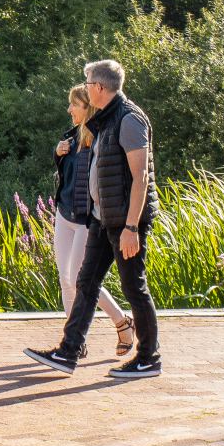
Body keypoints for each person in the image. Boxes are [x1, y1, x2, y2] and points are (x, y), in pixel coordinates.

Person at [25, 59, 162, 379]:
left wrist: (131, 227)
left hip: (124, 223)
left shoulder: (129, 120)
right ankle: (68, 351)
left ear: (99, 88)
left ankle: (148, 357)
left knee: (134, 287)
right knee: (85, 283)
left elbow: (140, 177)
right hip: (102, 219)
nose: (85, 89)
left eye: (87, 84)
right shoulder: (104, 119)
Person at [50, 84, 135, 359]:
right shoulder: (71, 137)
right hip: (65, 214)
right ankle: (74, 344)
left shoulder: (100, 137)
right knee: (65, 280)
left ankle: (122, 322)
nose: (69, 110)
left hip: (87, 220)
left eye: (74, 104)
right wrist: (58, 154)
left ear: (87, 107)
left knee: (80, 279)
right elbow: (70, 176)